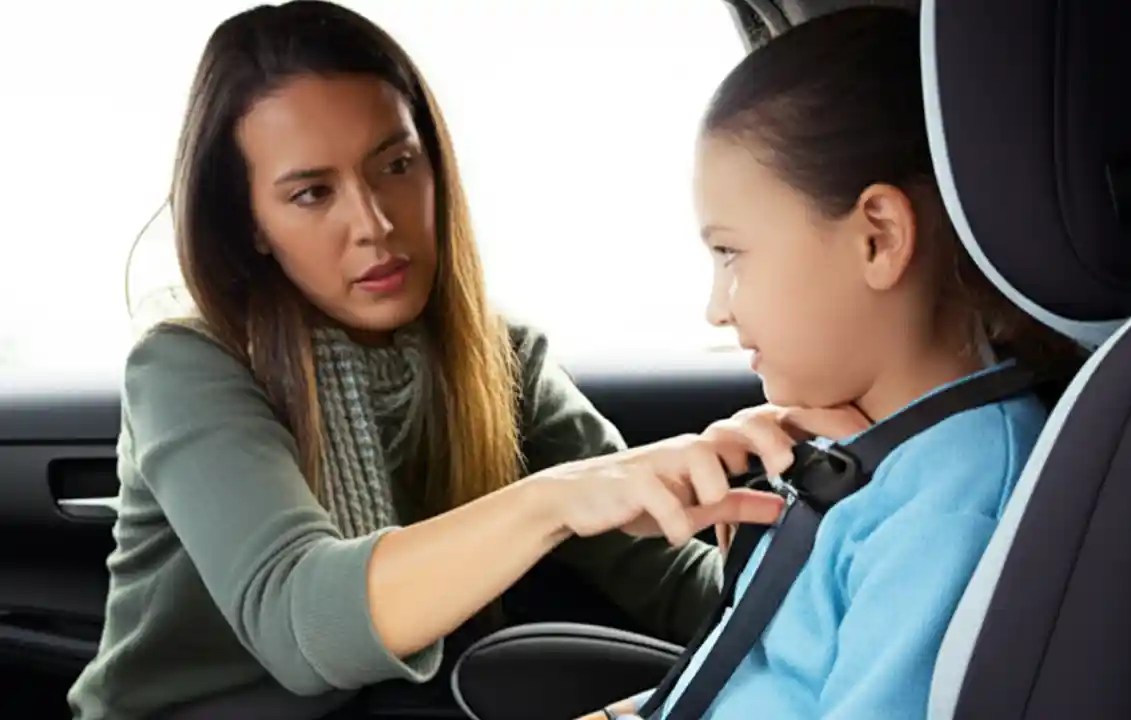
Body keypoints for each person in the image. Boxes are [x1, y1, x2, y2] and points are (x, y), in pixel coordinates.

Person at [66, 2, 873, 718]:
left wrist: (786, 526)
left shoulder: (499, 357)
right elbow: (302, 621)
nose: (376, 222)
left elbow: (667, 583)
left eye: (396, 164)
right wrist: (556, 499)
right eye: (313, 193)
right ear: (250, 225)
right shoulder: (189, 365)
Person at [582, 7, 1085, 720]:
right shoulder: (877, 451)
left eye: (731, 254)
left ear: (877, 238)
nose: (717, 308)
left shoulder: (950, 506)